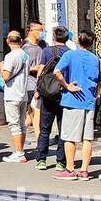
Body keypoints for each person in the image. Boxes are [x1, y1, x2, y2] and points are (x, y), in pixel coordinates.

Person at [53, 29, 101, 180]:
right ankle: (84, 170)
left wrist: (67, 86)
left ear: (78, 41)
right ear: (92, 43)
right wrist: (95, 95)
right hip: (89, 101)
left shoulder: (70, 55)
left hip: (73, 100)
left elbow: (56, 72)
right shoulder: (95, 59)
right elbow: (99, 81)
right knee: (88, 138)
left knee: (69, 137)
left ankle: (69, 169)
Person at [32, 26, 68, 170]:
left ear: (54, 37)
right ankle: (61, 162)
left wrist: (38, 89)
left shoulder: (47, 51)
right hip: (63, 93)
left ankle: (41, 160)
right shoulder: (70, 53)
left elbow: (41, 71)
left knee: (45, 128)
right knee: (63, 129)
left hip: (47, 93)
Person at [0, 31, 30, 163]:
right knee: (22, 124)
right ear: (21, 41)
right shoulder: (25, 55)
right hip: (23, 93)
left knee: (14, 124)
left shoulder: (10, 56)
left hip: (12, 93)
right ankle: (20, 151)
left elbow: (5, 76)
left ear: (8, 41)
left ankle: (19, 153)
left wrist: (1, 67)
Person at [22, 20, 46, 143]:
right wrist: (34, 68)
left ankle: (22, 134)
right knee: (36, 112)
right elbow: (20, 66)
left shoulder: (43, 45)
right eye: (40, 31)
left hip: (41, 84)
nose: (42, 33)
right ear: (32, 31)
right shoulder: (25, 47)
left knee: (32, 113)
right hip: (30, 85)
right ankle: (39, 138)